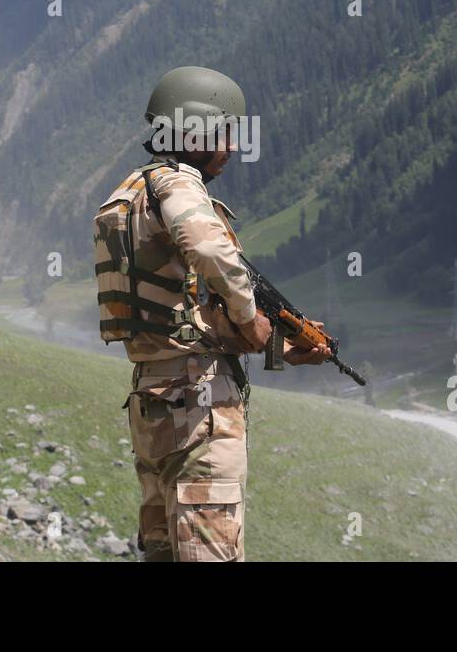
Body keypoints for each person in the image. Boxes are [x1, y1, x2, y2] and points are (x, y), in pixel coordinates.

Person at [93, 66, 330, 562]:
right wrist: (250, 317)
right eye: (226, 132)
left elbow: (185, 320)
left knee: (163, 549)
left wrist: (279, 348)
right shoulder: (178, 185)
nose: (233, 146)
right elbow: (209, 248)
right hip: (199, 405)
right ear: (194, 129)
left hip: (153, 397)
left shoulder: (132, 192)